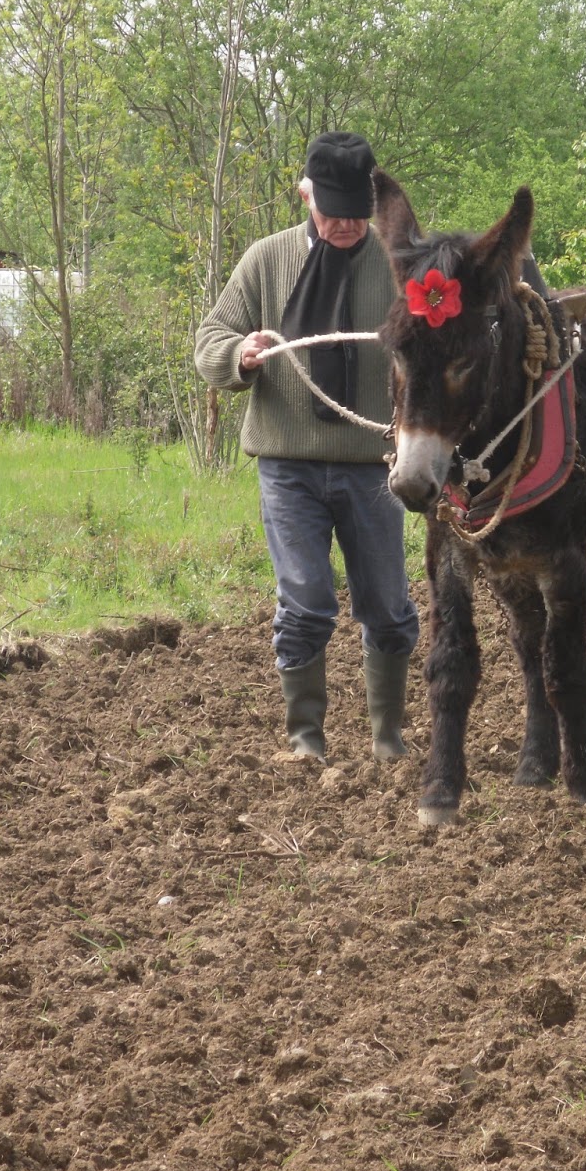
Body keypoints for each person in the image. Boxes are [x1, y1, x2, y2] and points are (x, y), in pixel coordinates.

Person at [194, 131, 418, 762]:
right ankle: (306, 741)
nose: (345, 226)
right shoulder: (265, 260)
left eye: (357, 214)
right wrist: (239, 355)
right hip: (287, 467)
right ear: (305, 197)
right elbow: (211, 337)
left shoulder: (398, 264)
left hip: (375, 466)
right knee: (307, 602)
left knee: (388, 606)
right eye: (331, 213)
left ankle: (387, 740)